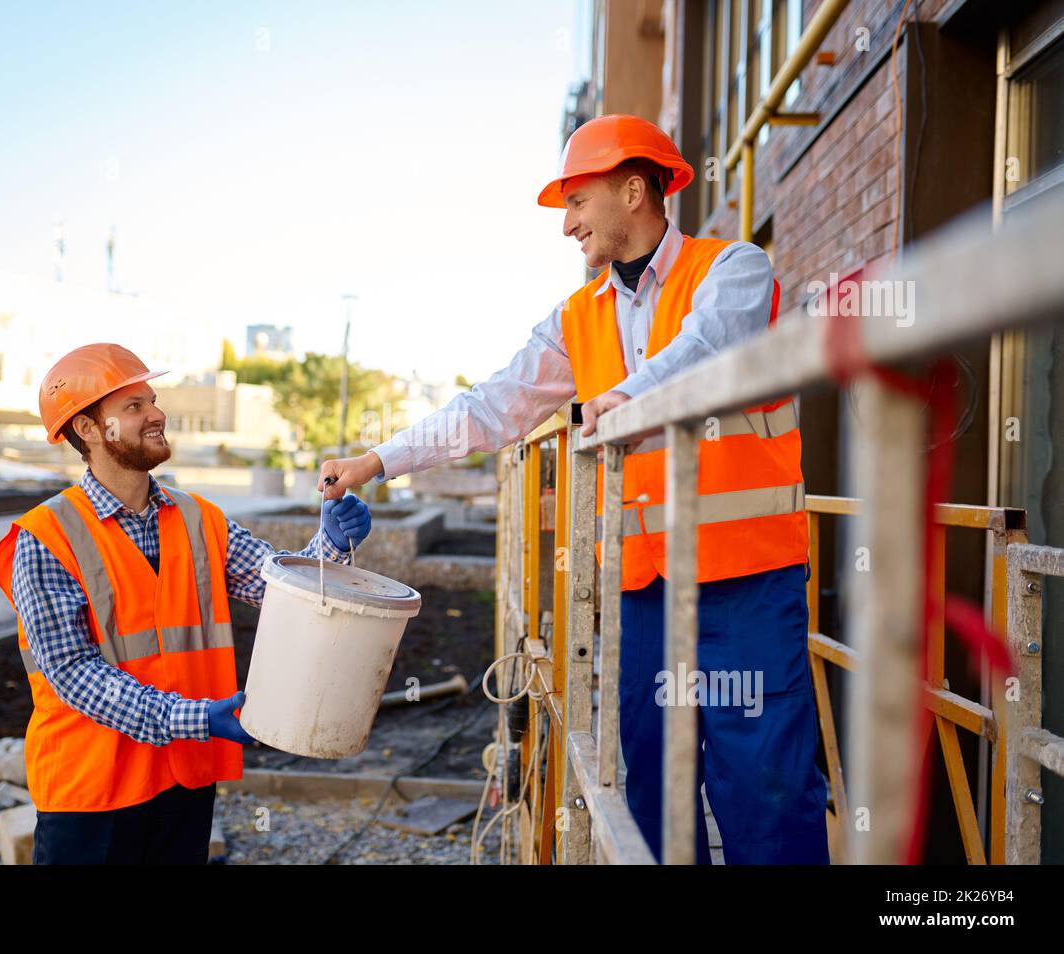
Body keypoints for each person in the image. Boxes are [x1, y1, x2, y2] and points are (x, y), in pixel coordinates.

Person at [318, 114, 827, 864]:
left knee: (766, 791)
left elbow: (711, 345)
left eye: (578, 202)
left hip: (744, 587)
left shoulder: (735, 270)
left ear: (632, 190)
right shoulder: (577, 318)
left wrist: (632, 397)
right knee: (652, 795)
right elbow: (491, 406)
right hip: (645, 595)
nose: (567, 225)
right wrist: (377, 461)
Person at [0, 342, 372, 864]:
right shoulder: (45, 536)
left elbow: (282, 592)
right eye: (133, 407)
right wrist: (195, 718)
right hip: (92, 794)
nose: (156, 414)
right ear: (86, 429)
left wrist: (330, 546)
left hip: (183, 784)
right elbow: (73, 673)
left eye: (151, 400)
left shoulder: (199, 518)